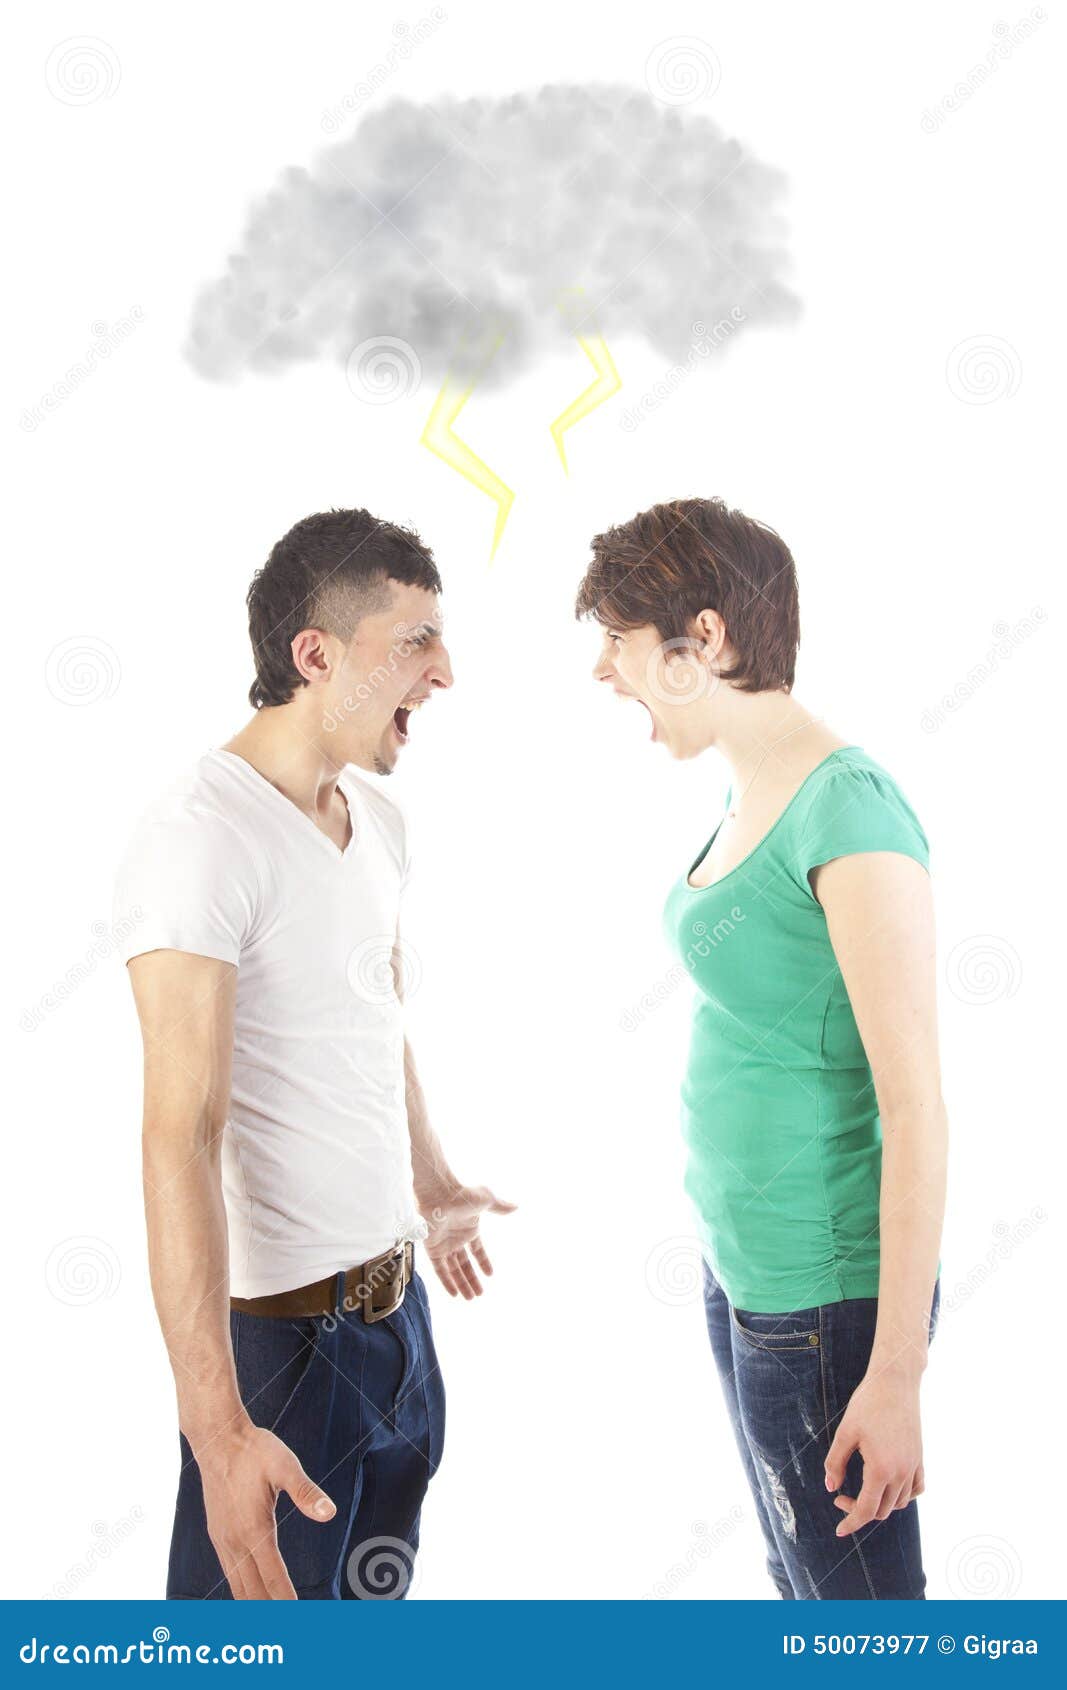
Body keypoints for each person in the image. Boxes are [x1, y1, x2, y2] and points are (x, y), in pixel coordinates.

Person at [115, 507, 514, 1600]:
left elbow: (373, 1023)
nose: (442, 673)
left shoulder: (378, 824)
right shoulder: (199, 837)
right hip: (281, 1357)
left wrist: (431, 1186)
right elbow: (178, 1135)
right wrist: (218, 1434)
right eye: (414, 642)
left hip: (400, 1329)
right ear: (315, 655)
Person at [576, 498, 946, 1600]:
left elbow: (915, 1105)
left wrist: (893, 1374)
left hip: (828, 1302)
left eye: (617, 642)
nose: (603, 673)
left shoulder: (849, 809)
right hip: (748, 1272)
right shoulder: (752, 793)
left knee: (865, 1633)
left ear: (705, 639)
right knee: (800, 1592)